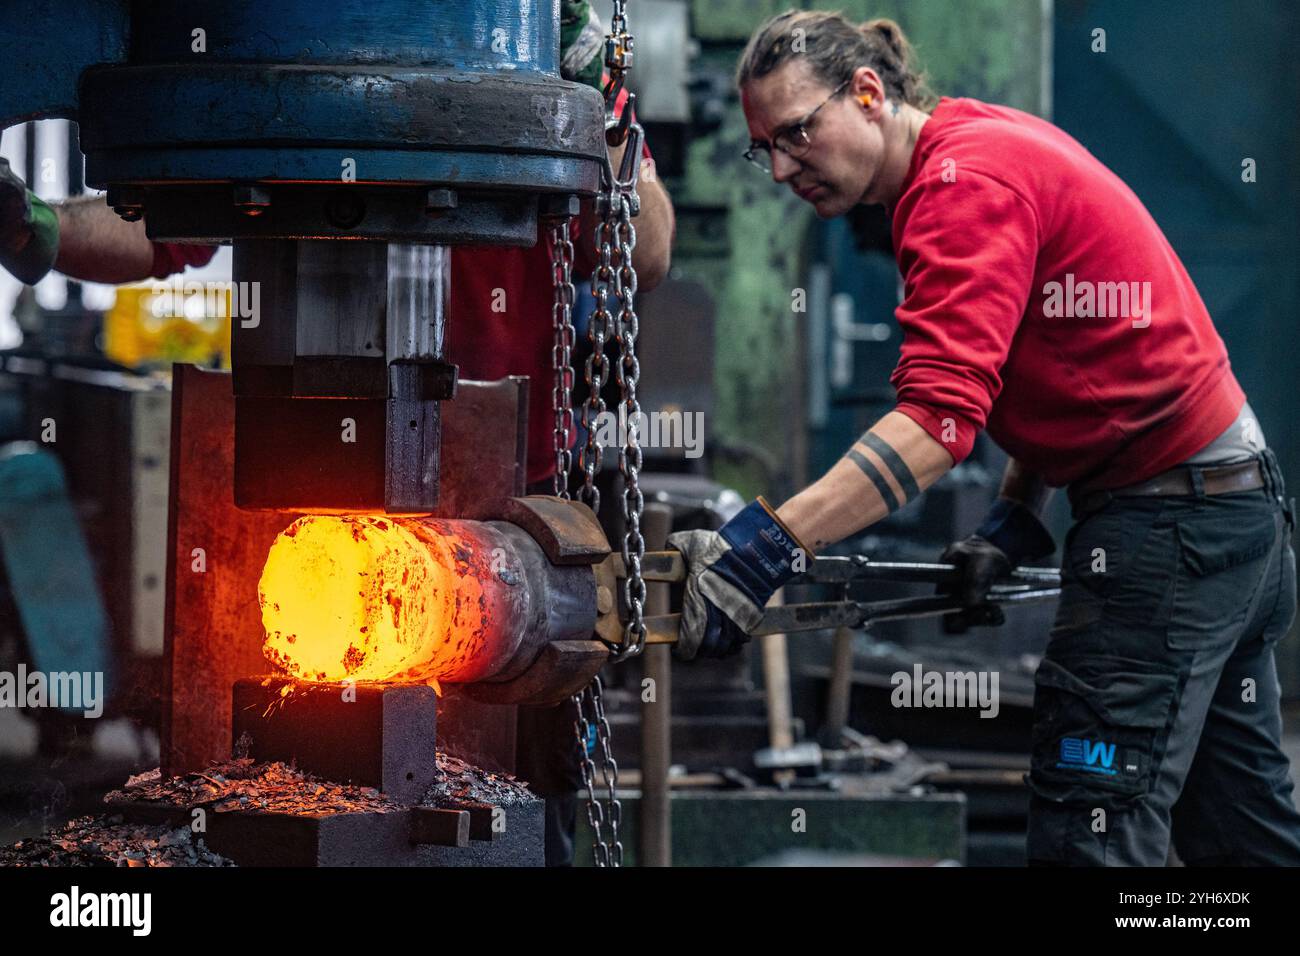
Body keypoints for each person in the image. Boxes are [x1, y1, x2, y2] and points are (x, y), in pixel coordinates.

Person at [0, 0, 675, 866]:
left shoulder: (540, 66)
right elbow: (157, 236)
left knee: (517, 813)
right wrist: (37, 229)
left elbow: (644, 246)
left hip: (513, 507)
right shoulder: (260, 108)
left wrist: (596, 99)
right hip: (295, 489)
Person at [668, 9, 1300, 866]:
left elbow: (937, 423)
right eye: (763, 148)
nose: (781, 167)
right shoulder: (974, 142)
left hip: (1172, 537)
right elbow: (1058, 365)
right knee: (1242, 838)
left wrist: (765, 548)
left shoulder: (960, 187)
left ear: (866, 94)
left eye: (796, 133)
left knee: (1093, 828)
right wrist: (1016, 519)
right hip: (1237, 521)